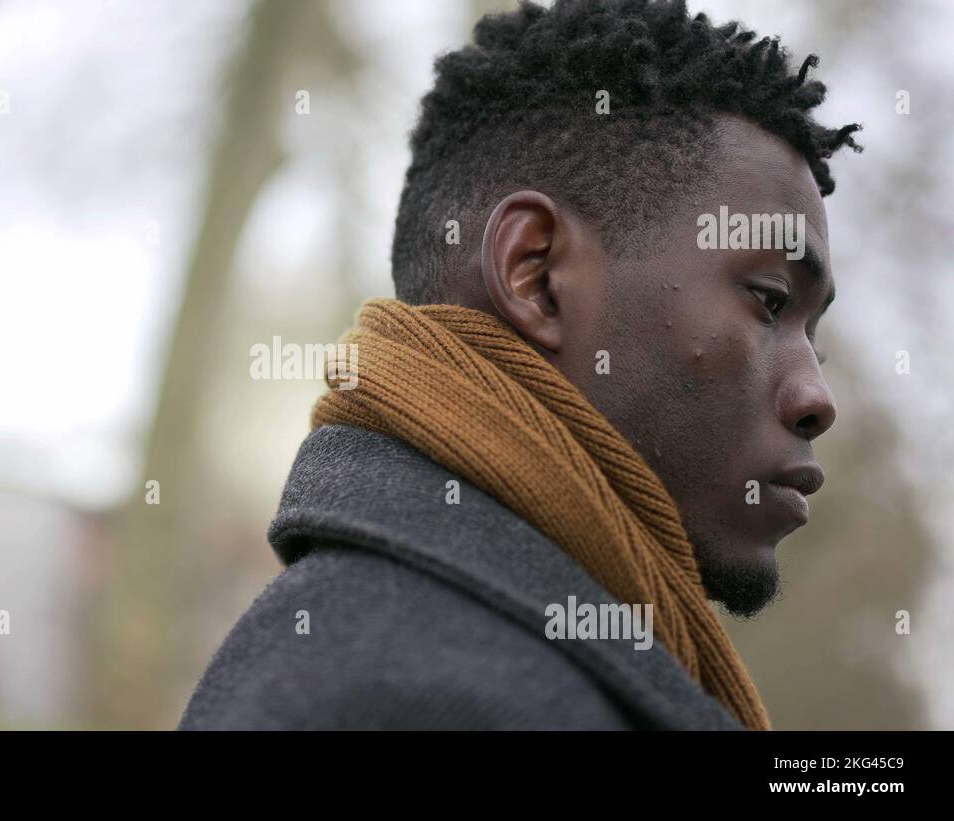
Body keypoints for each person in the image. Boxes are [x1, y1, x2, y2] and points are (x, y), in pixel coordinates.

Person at [178, 0, 860, 730]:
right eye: (768, 300)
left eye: (812, 335)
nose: (817, 395)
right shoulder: (417, 697)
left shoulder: (393, 641)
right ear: (536, 273)